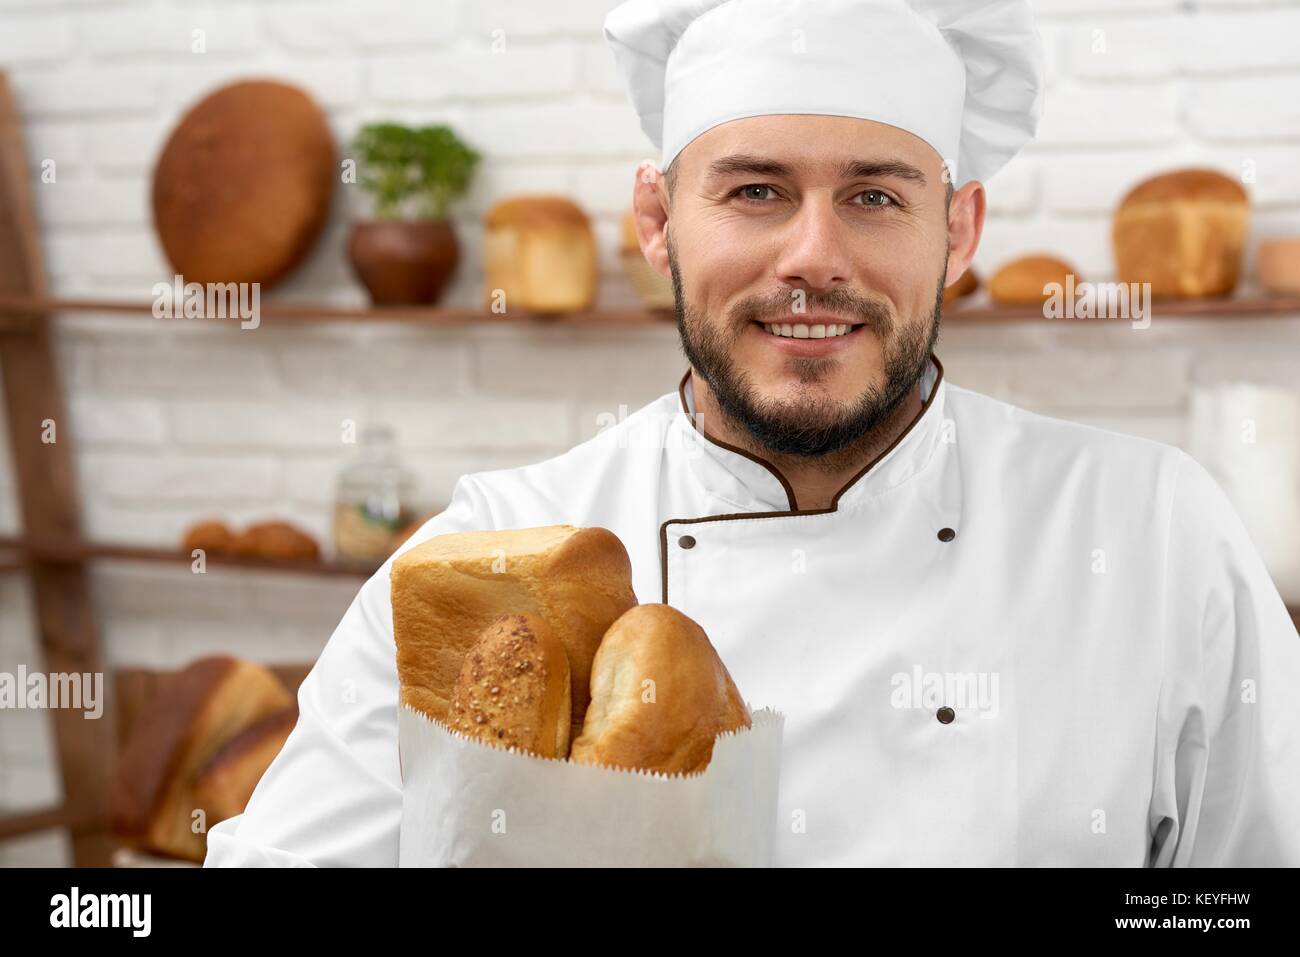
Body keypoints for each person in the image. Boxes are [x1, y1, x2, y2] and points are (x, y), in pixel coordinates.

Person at [206, 0, 1300, 867]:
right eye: (757, 191)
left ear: (957, 231)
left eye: (875, 198)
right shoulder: (495, 549)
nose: (812, 258)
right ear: (655, 224)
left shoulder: (1152, 532)